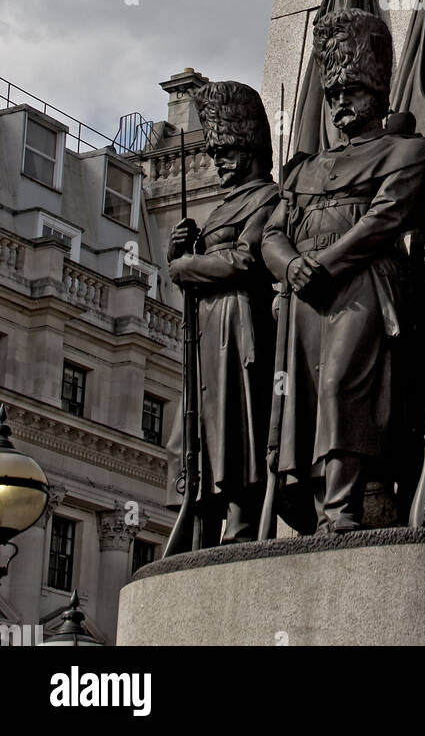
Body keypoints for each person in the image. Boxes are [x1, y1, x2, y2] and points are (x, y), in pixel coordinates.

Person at [261, 9, 425, 533]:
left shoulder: (407, 152)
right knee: (305, 399)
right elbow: (271, 232)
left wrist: (322, 264)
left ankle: (343, 508)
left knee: (342, 387)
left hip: (363, 284)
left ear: (378, 92)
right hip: (304, 294)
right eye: (334, 91)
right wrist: (293, 266)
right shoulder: (306, 168)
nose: (342, 101)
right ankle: (316, 510)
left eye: (354, 90)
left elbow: (384, 222)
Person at [167, 81, 279, 544]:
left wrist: (185, 266)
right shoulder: (221, 209)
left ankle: (241, 519)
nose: (218, 163)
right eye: (215, 153)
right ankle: (199, 517)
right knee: (199, 427)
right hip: (208, 327)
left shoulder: (269, 197)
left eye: (226, 152)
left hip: (240, 323)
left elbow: (247, 259)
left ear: (248, 144)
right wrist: (185, 251)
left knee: (237, 420)